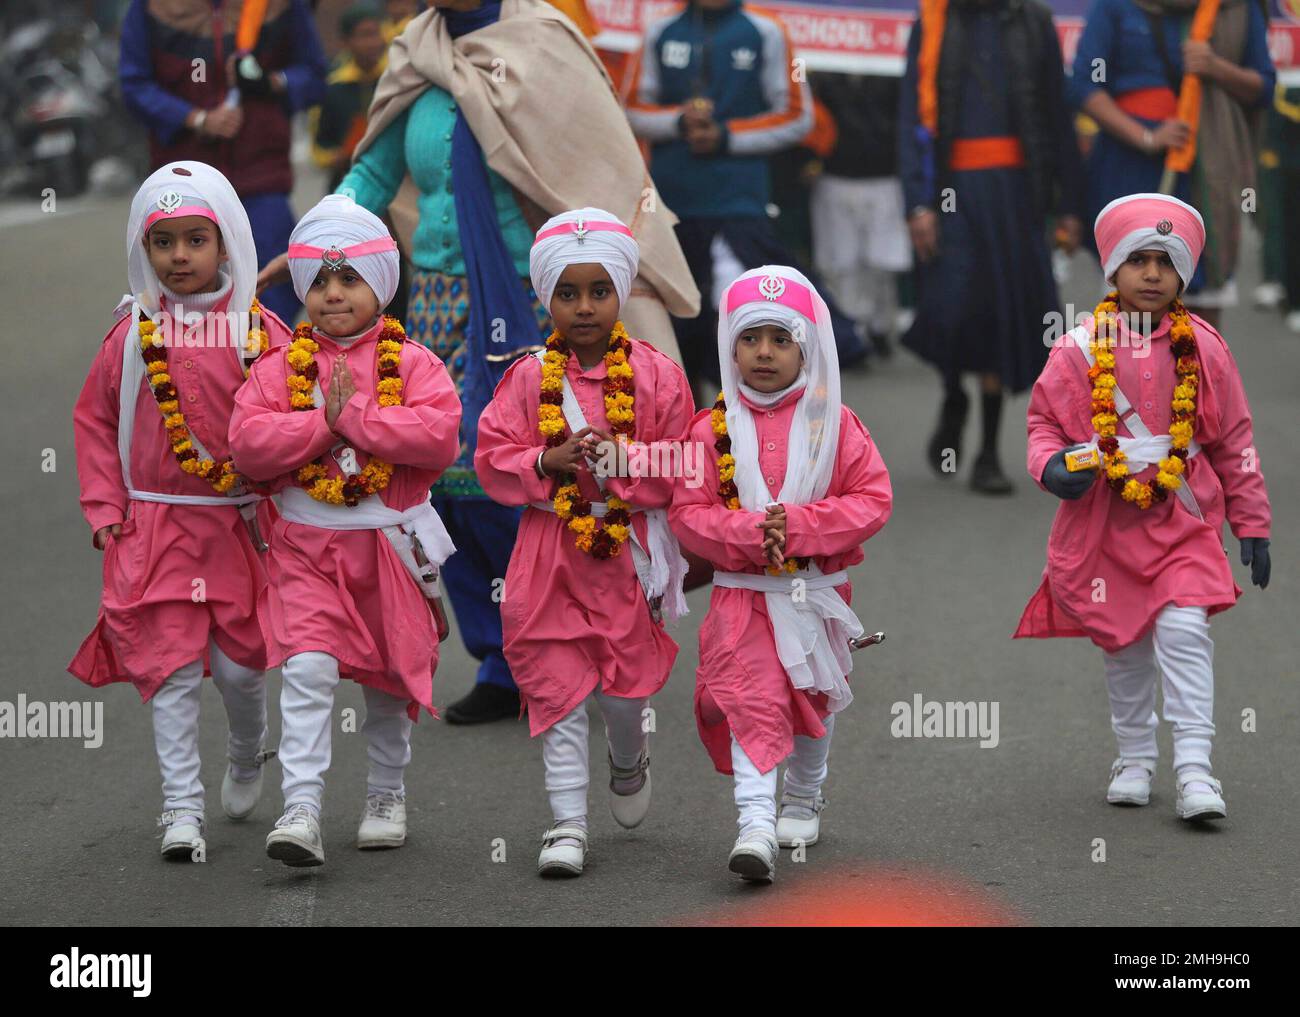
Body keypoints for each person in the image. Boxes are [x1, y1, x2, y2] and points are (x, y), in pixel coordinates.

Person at [264, 0, 699, 726]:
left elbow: (593, 165)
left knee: (527, 471)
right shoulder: (416, 54)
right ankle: (497, 652)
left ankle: (563, 637)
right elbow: (372, 174)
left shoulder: (544, 44)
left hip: (528, 305)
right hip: (432, 300)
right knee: (442, 482)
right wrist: (319, 240)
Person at [1015, 193, 1271, 822]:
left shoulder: (1206, 348)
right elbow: (1044, 426)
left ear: (1184, 274)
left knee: (1184, 633)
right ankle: (1133, 757)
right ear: (1112, 270)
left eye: (1166, 261)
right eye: (1138, 260)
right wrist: (1051, 467)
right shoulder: (1077, 350)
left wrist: (1252, 524)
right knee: (1124, 644)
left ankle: (1194, 768)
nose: (1152, 274)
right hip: (1106, 523)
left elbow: (1235, 440)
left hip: (1183, 521)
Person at [229, 195, 462, 866]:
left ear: (380, 286)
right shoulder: (279, 367)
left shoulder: (413, 361)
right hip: (307, 548)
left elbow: (439, 437)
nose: (333, 295)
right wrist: (321, 425)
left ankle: (386, 792)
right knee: (305, 668)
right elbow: (247, 443)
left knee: (389, 682)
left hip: (390, 546)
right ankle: (300, 805)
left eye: (349, 279)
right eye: (322, 281)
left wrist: (356, 415)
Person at [70, 160, 293, 860]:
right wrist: (106, 504)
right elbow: (95, 423)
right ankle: (180, 811)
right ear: (144, 249)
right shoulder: (131, 337)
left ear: (225, 243)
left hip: (238, 524)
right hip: (154, 525)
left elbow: (294, 418)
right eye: (163, 243)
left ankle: (247, 746)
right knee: (165, 671)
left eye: (195, 240)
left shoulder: (260, 334)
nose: (179, 257)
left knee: (237, 670)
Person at [474, 208, 693, 877]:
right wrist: (546, 463)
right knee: (558, 691)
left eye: (599, 291)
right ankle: (566, 823)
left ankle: (629, 755)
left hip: (625, 559)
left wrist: (632, 464)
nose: (585, 306)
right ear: (547, 298)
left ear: (620, 292)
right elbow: (491, 457)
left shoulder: (656, 374)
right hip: (549, 555)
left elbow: (689, 465)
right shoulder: (524, 377)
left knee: (625, 698)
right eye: (567, 293)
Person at [669, 266, 893, 883]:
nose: (763, 352)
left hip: (814, 592)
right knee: (751, 701)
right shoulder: (707, 429)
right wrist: (747, 532)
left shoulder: (836, 425)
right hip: (742, 594)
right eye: (749, 338)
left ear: (807, 347)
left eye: (779, 339)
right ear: (729, 346)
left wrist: (797, 527)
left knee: (813, 700)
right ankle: (755, 827)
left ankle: (804, 794)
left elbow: (872, 500)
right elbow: (688, 513)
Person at [898, 0, 1083, 494]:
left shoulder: (1034, 22)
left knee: (1000, 316)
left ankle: (987, 454)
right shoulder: (933, 21)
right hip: (951, 192)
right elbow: (910, 117)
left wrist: (1069, 204)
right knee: (953, 309)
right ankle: (953, 391)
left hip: (1015, 193)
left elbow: (1055, 111)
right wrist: (919, 204)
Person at [118, 0, 328, 324]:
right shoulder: (150, 8)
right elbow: (135, 85)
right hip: (183, 184)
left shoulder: (281, 5)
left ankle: (262, 369)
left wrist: (271, 81)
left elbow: (314, 74)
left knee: (270, 292)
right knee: (183, 299)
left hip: (260, 177)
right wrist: (196, 118)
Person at [1069, 0, 1276, 329]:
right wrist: (1147, 137)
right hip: (1132, 171)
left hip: (1208, 174)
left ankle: (1197, 378)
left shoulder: (1234, 7)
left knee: (1201, 314)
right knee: (1133, 307)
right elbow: (1084, 85)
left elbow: (1263, 87)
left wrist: (1215, 66)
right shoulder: (1116, 7)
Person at [311, 5, 388, 193]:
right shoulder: (332, 87)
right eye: (364, 35)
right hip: (344, 186)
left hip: (389, 185)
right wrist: (335, 156)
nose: (372, 42)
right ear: (346, 42)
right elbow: (318, 146)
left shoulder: (392, 81)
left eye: (376, 34)